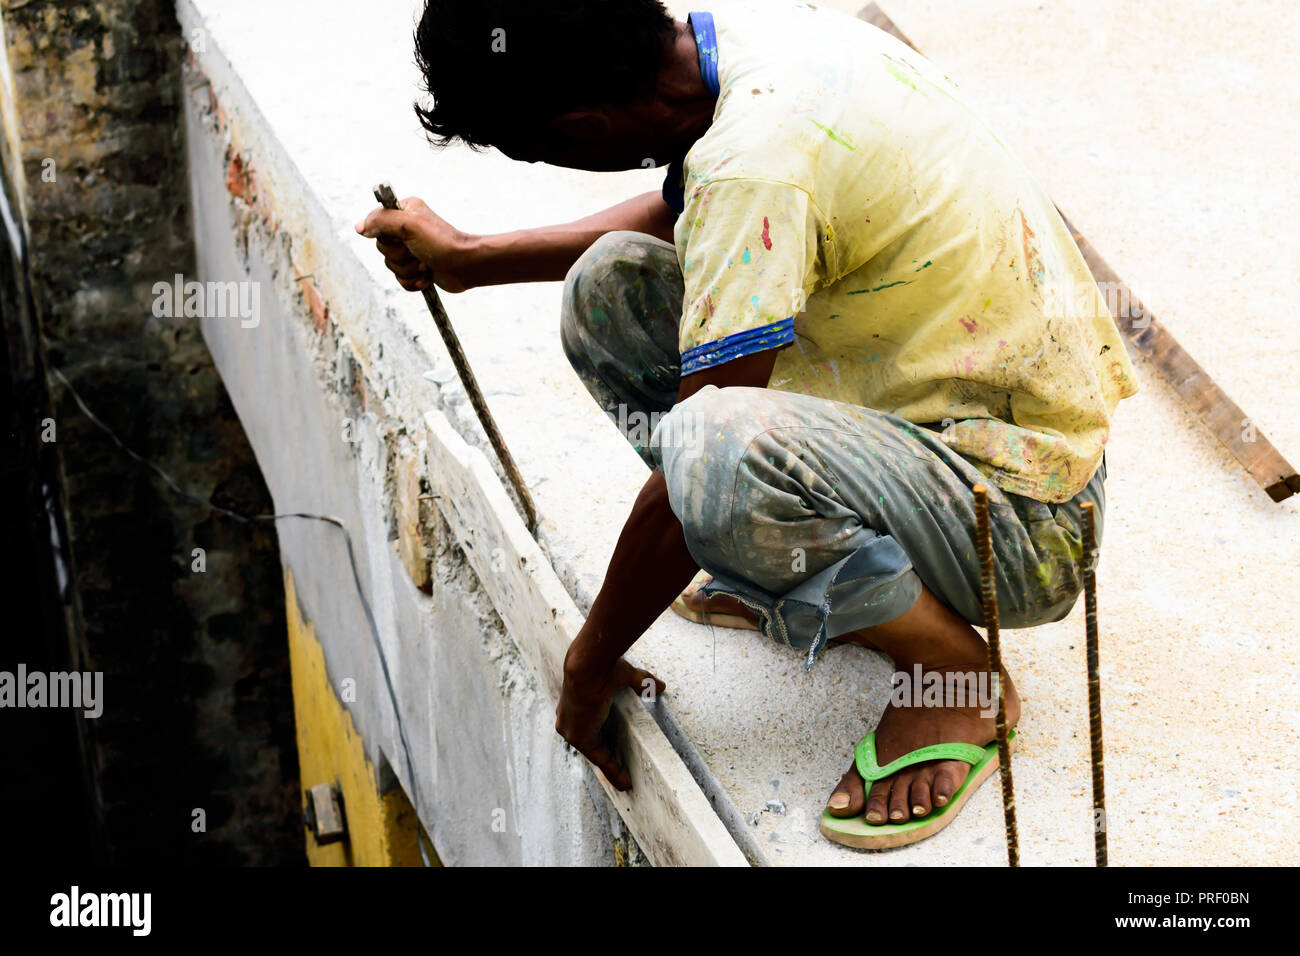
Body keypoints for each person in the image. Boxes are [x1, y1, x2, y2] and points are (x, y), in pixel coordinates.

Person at [356, 0, 1137, 849]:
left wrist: (586, 662)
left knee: (712, 452)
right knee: (608, 290)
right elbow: (689, 214)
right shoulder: (751, 49)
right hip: (924, 418)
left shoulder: (757, 158)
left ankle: (955, 676)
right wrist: (472, 259)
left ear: (585, 126)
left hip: (1023, 521)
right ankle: (805, 565)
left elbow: (702, 445)